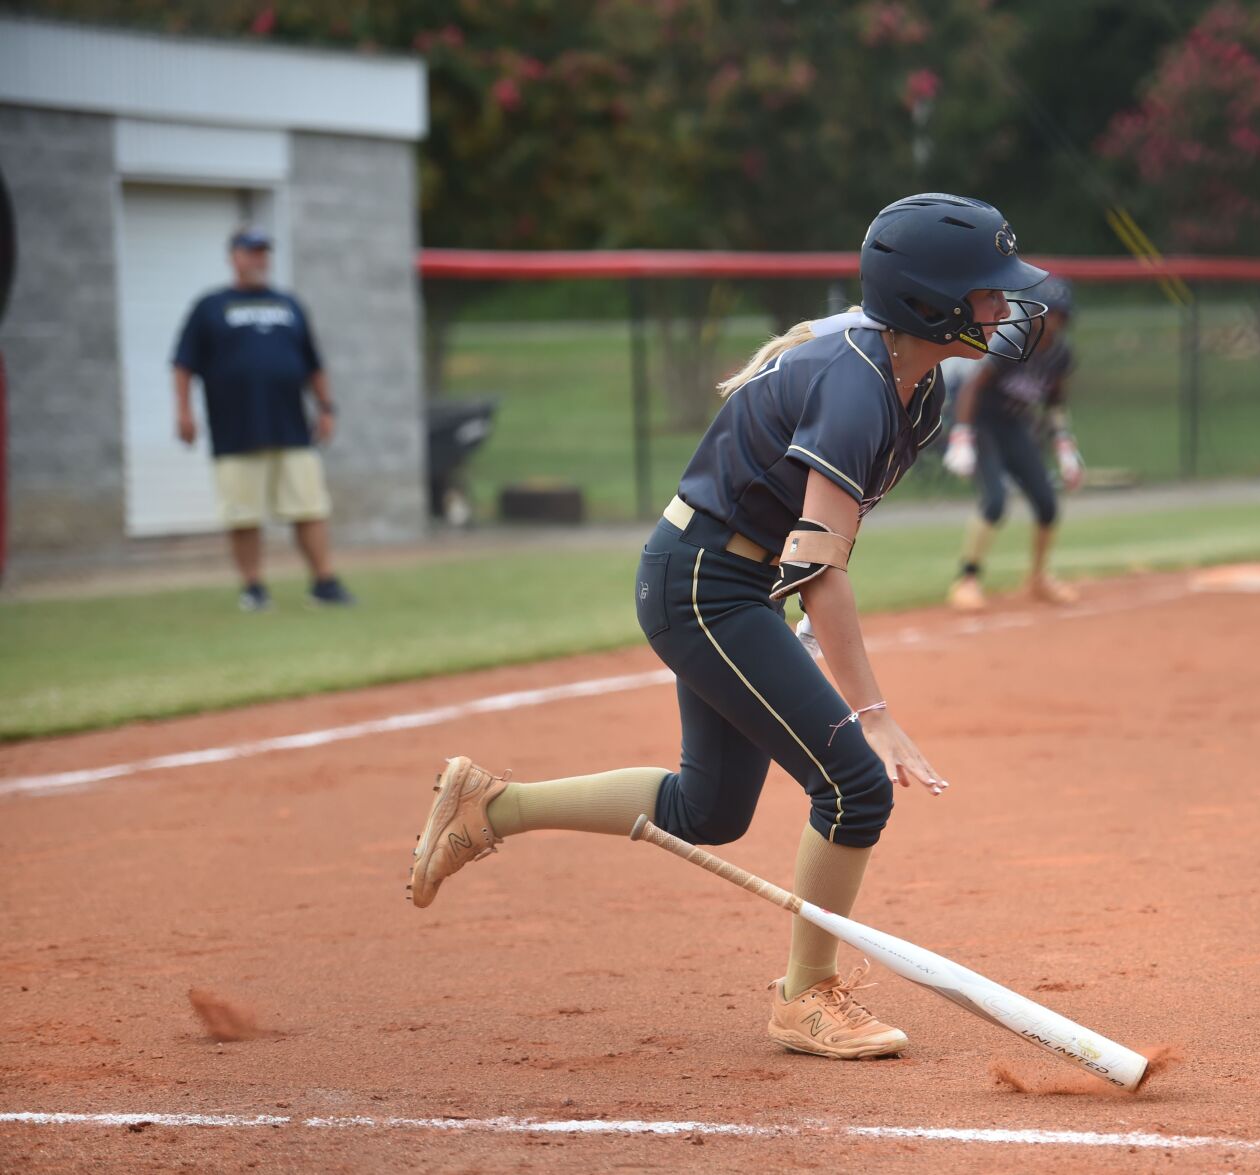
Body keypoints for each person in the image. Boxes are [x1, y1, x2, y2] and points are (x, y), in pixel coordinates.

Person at [406, 194, 1050, 1061]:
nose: (1003, 307)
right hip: (704, 585)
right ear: (927, 300)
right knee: (854, 785)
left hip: (733, 582)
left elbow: (811, 551)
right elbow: (823, 567)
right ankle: (805, 997)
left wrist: (809, 642)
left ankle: (491, 806)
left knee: (706, 810)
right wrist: (871, 711)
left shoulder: (917, 388)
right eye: (983, 291)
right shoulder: (860, 386)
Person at [172, 225, 353, 611]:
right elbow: (183, 363)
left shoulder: (289, 305)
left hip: (290, 426)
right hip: (236, 428)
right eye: (251, 252)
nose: (259, 259)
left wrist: (326, 407)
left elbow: (313, 363)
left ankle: (324, 582)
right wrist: (183, 411)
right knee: (243, 513)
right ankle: (253, 587)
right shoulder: (211, 306)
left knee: (309, 506)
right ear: (233, 257)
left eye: (263, 252)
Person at [941, 276, 1084, 610]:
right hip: (982, 424)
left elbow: (1055, 401)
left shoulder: (1061, 354)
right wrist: (961, 436)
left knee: (1047, 503)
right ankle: (967, 579)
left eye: (1061, 316)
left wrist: (1064, 445)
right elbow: (973, 387)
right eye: (1049, 314)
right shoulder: (1014, 343)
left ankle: (1038, 578)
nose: (1054, 323)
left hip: (1016, 426)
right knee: (995, 501)